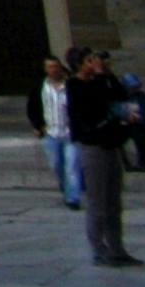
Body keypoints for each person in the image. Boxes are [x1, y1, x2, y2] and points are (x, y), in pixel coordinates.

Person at [70, 48, 143, 267]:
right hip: (94, 147)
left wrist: (108, 74)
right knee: (98, 203)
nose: (94, 63)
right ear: (79, 64)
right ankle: (99, 250)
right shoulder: (76, 86)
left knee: (114, 202)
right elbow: (93, 103)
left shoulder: (102, 81)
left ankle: (117, 249)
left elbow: (118, 96)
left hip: (111, 145)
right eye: (89, 60)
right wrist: (101, 77)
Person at [39, 58, 85, 208]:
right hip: (52, 133)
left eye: (56, 66)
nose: (53, 69)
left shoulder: (71, 86)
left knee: (71, 165)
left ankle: (73, 198)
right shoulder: (42, 87)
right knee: (56, 164)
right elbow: (34, 107)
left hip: (70, 132)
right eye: (50, 67)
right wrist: (38, 125)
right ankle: (66, 187)